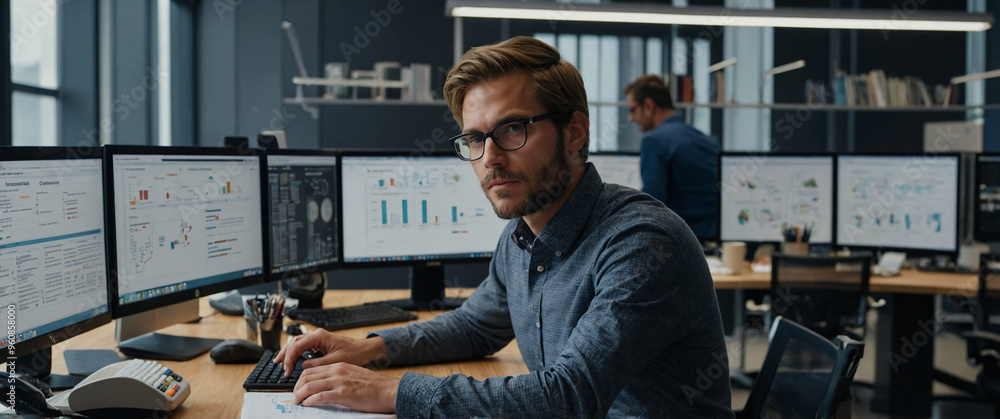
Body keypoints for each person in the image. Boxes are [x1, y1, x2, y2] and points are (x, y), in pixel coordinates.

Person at [276, 36, 732, 418]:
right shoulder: (523, 234)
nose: (490, 158)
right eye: (475, 138)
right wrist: (368, 348)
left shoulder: (642, 244)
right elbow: (475, 327)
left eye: (513, 129)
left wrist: (390, 391)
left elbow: (569, 397)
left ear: (575, 132)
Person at [625, 75, 720, 240]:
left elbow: (652, 204)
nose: (631, 118)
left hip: (681, 240)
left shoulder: (654, 141)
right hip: (715, 237)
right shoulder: (704, 139)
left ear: (648, 106)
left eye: (632, 110)